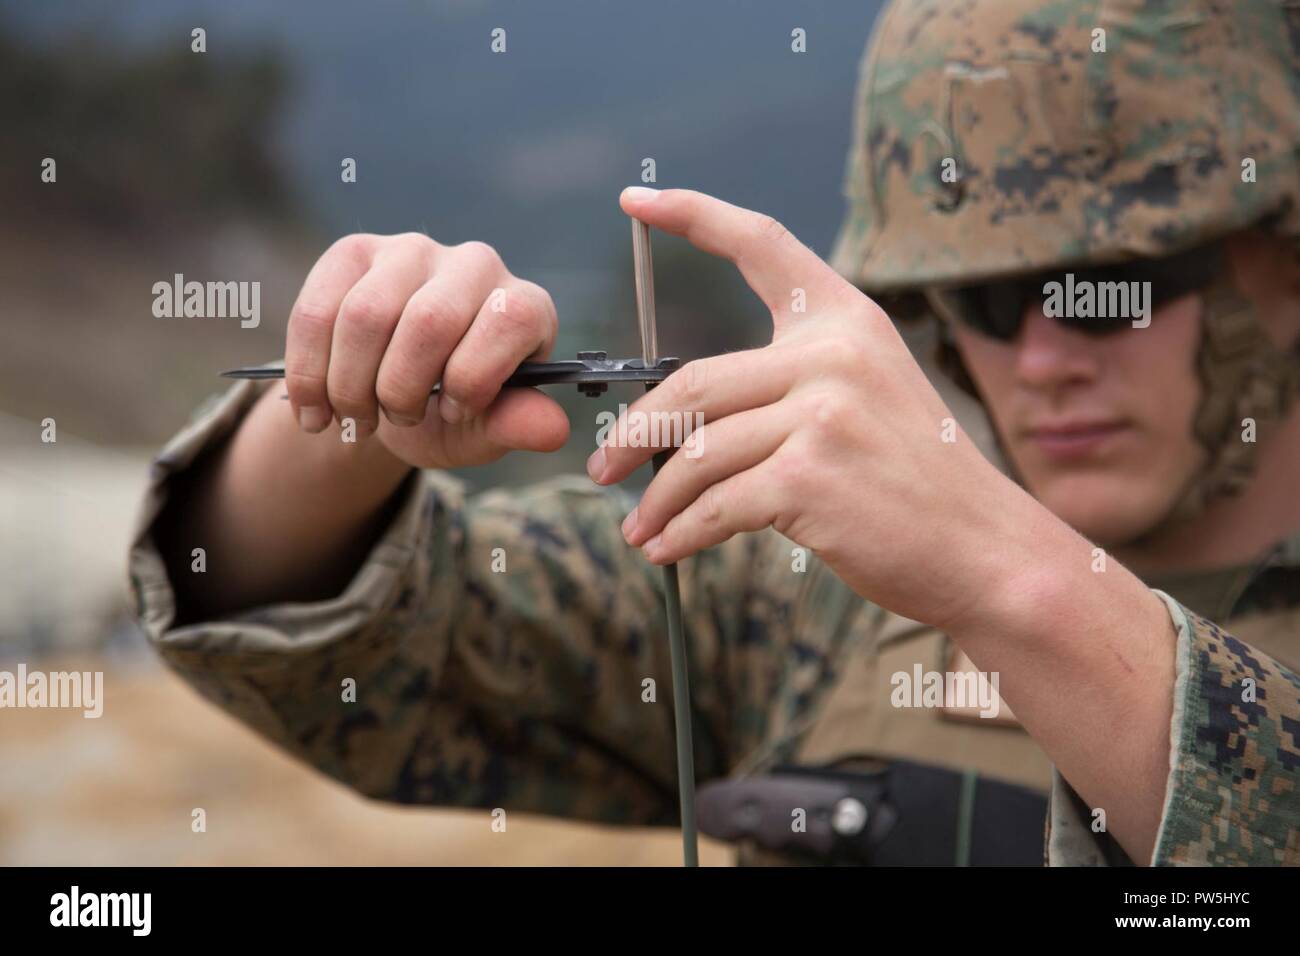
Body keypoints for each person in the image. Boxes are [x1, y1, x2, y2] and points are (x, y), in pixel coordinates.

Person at [129, 0, 1300, 865]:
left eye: (1121, 284)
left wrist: (1017, 583)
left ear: (1280, 259)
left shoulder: (921, 556)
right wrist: (352, 406)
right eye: (985, 297)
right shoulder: (809, 584)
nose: (1045, 355)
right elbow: (335, 647)